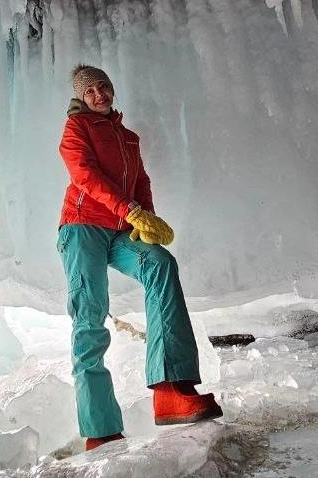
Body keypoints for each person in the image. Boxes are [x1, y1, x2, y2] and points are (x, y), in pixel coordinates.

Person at [57, 64, 222, 451]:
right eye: (91, 90)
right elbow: (84, 176)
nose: (100, 94)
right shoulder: (76, 129)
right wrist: (129, 209)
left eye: (105, 87)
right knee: (89, 318)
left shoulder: (128, 137)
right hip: (82, 227)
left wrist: (145, 216)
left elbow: (140, 180)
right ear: (81, 97)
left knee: (161, 265)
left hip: (121, 228)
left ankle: (170, 389)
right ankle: (100, 429)